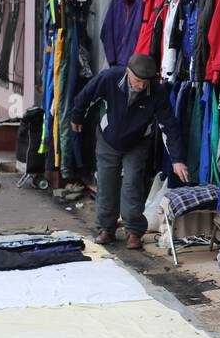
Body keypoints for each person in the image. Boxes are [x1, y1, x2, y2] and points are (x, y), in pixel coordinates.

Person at [70, 53, 189, 248]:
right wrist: (76, 118)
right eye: (138, 81)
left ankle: (133, 231)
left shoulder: (157, 92)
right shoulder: (109, 78)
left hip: (137, 141)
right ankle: (106, 228)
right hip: (108, 137)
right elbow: (85, 96)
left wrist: (177, 159)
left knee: (133, 183)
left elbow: (169, 126)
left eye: (146, 82)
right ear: (127, 73)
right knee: (107, 183)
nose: (141, 86)